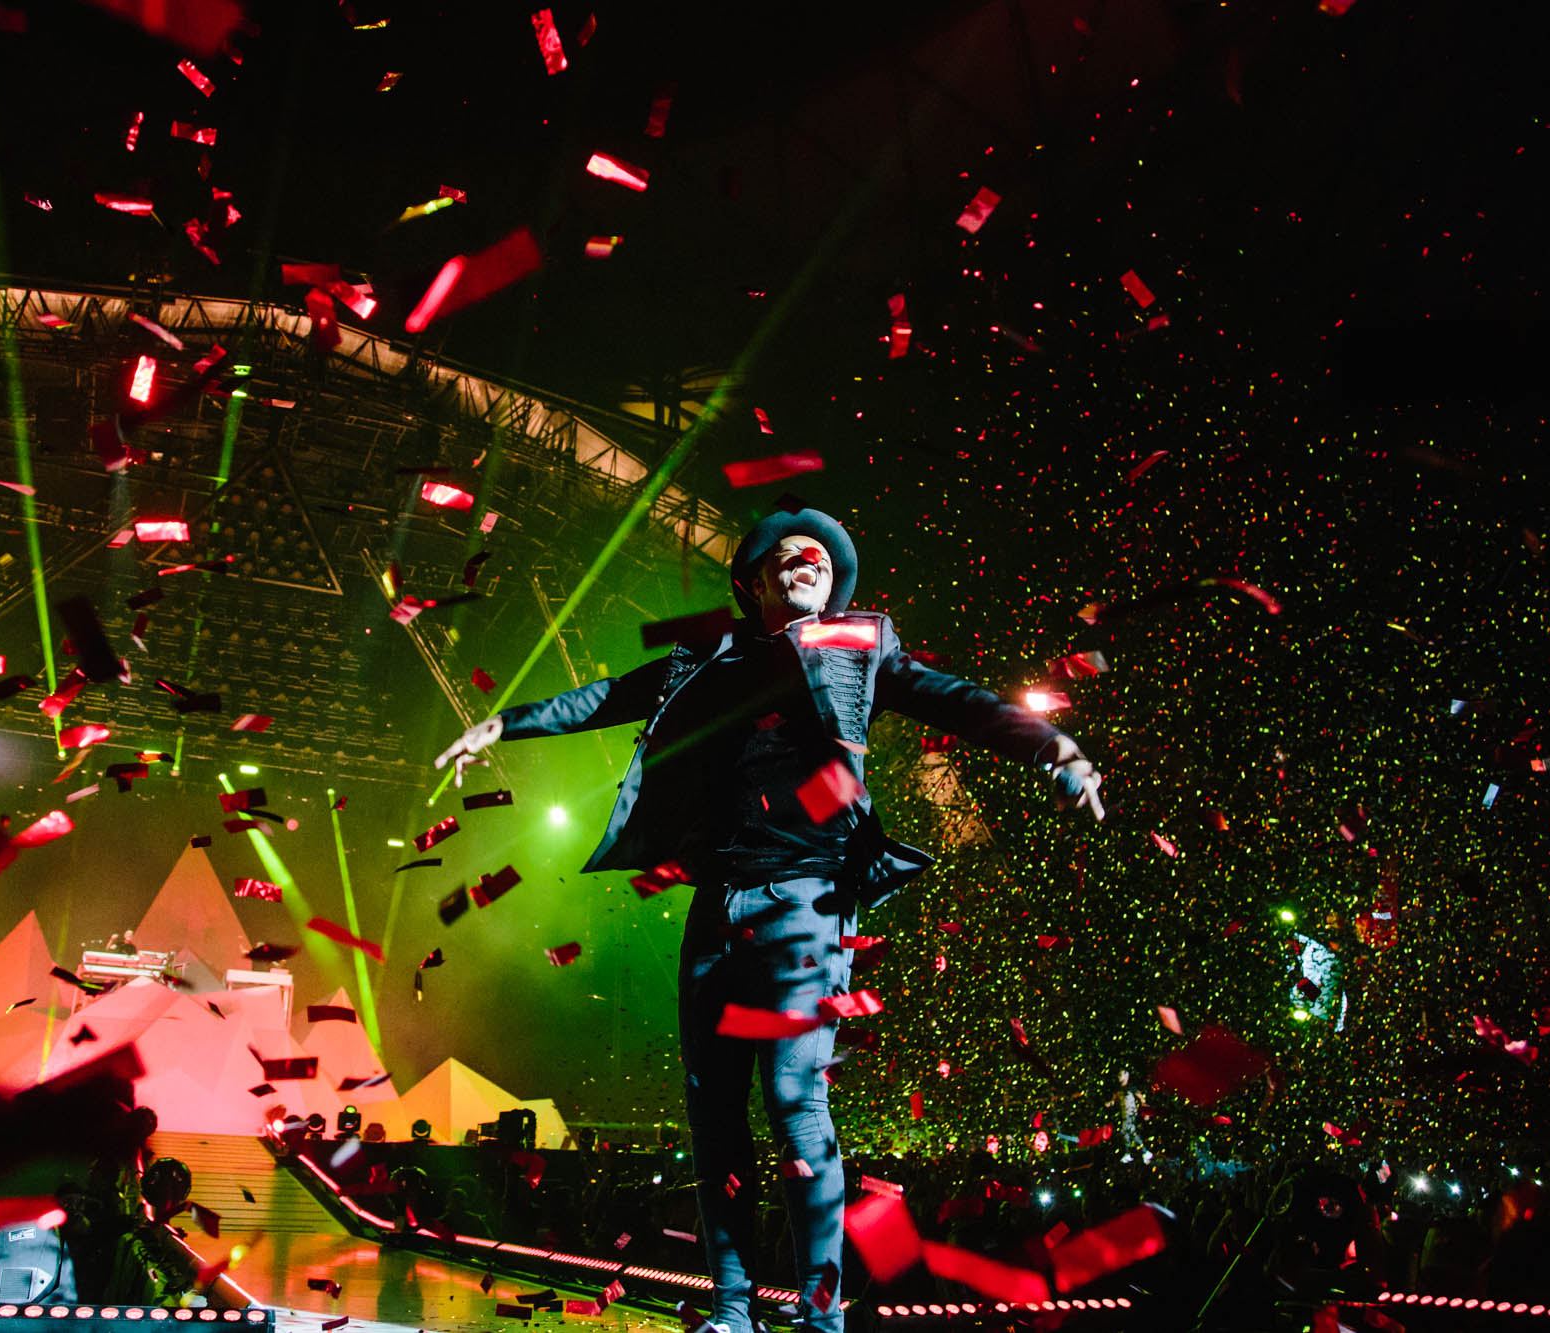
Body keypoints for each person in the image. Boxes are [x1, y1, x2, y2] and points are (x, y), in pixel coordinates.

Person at [436, 507, 1104, 1333]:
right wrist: (509, 721)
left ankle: (820, 1321)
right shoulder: (706, 658)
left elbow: (957, 700)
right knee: (712, 1109)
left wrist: (1056, 748)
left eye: (818, 557)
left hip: (807, 899)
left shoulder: (863, 646)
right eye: (786, 557)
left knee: (793, 1100)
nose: (805, 562)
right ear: (753, 583)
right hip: (717, 904)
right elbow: (607, 697)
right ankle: (732, 1310)